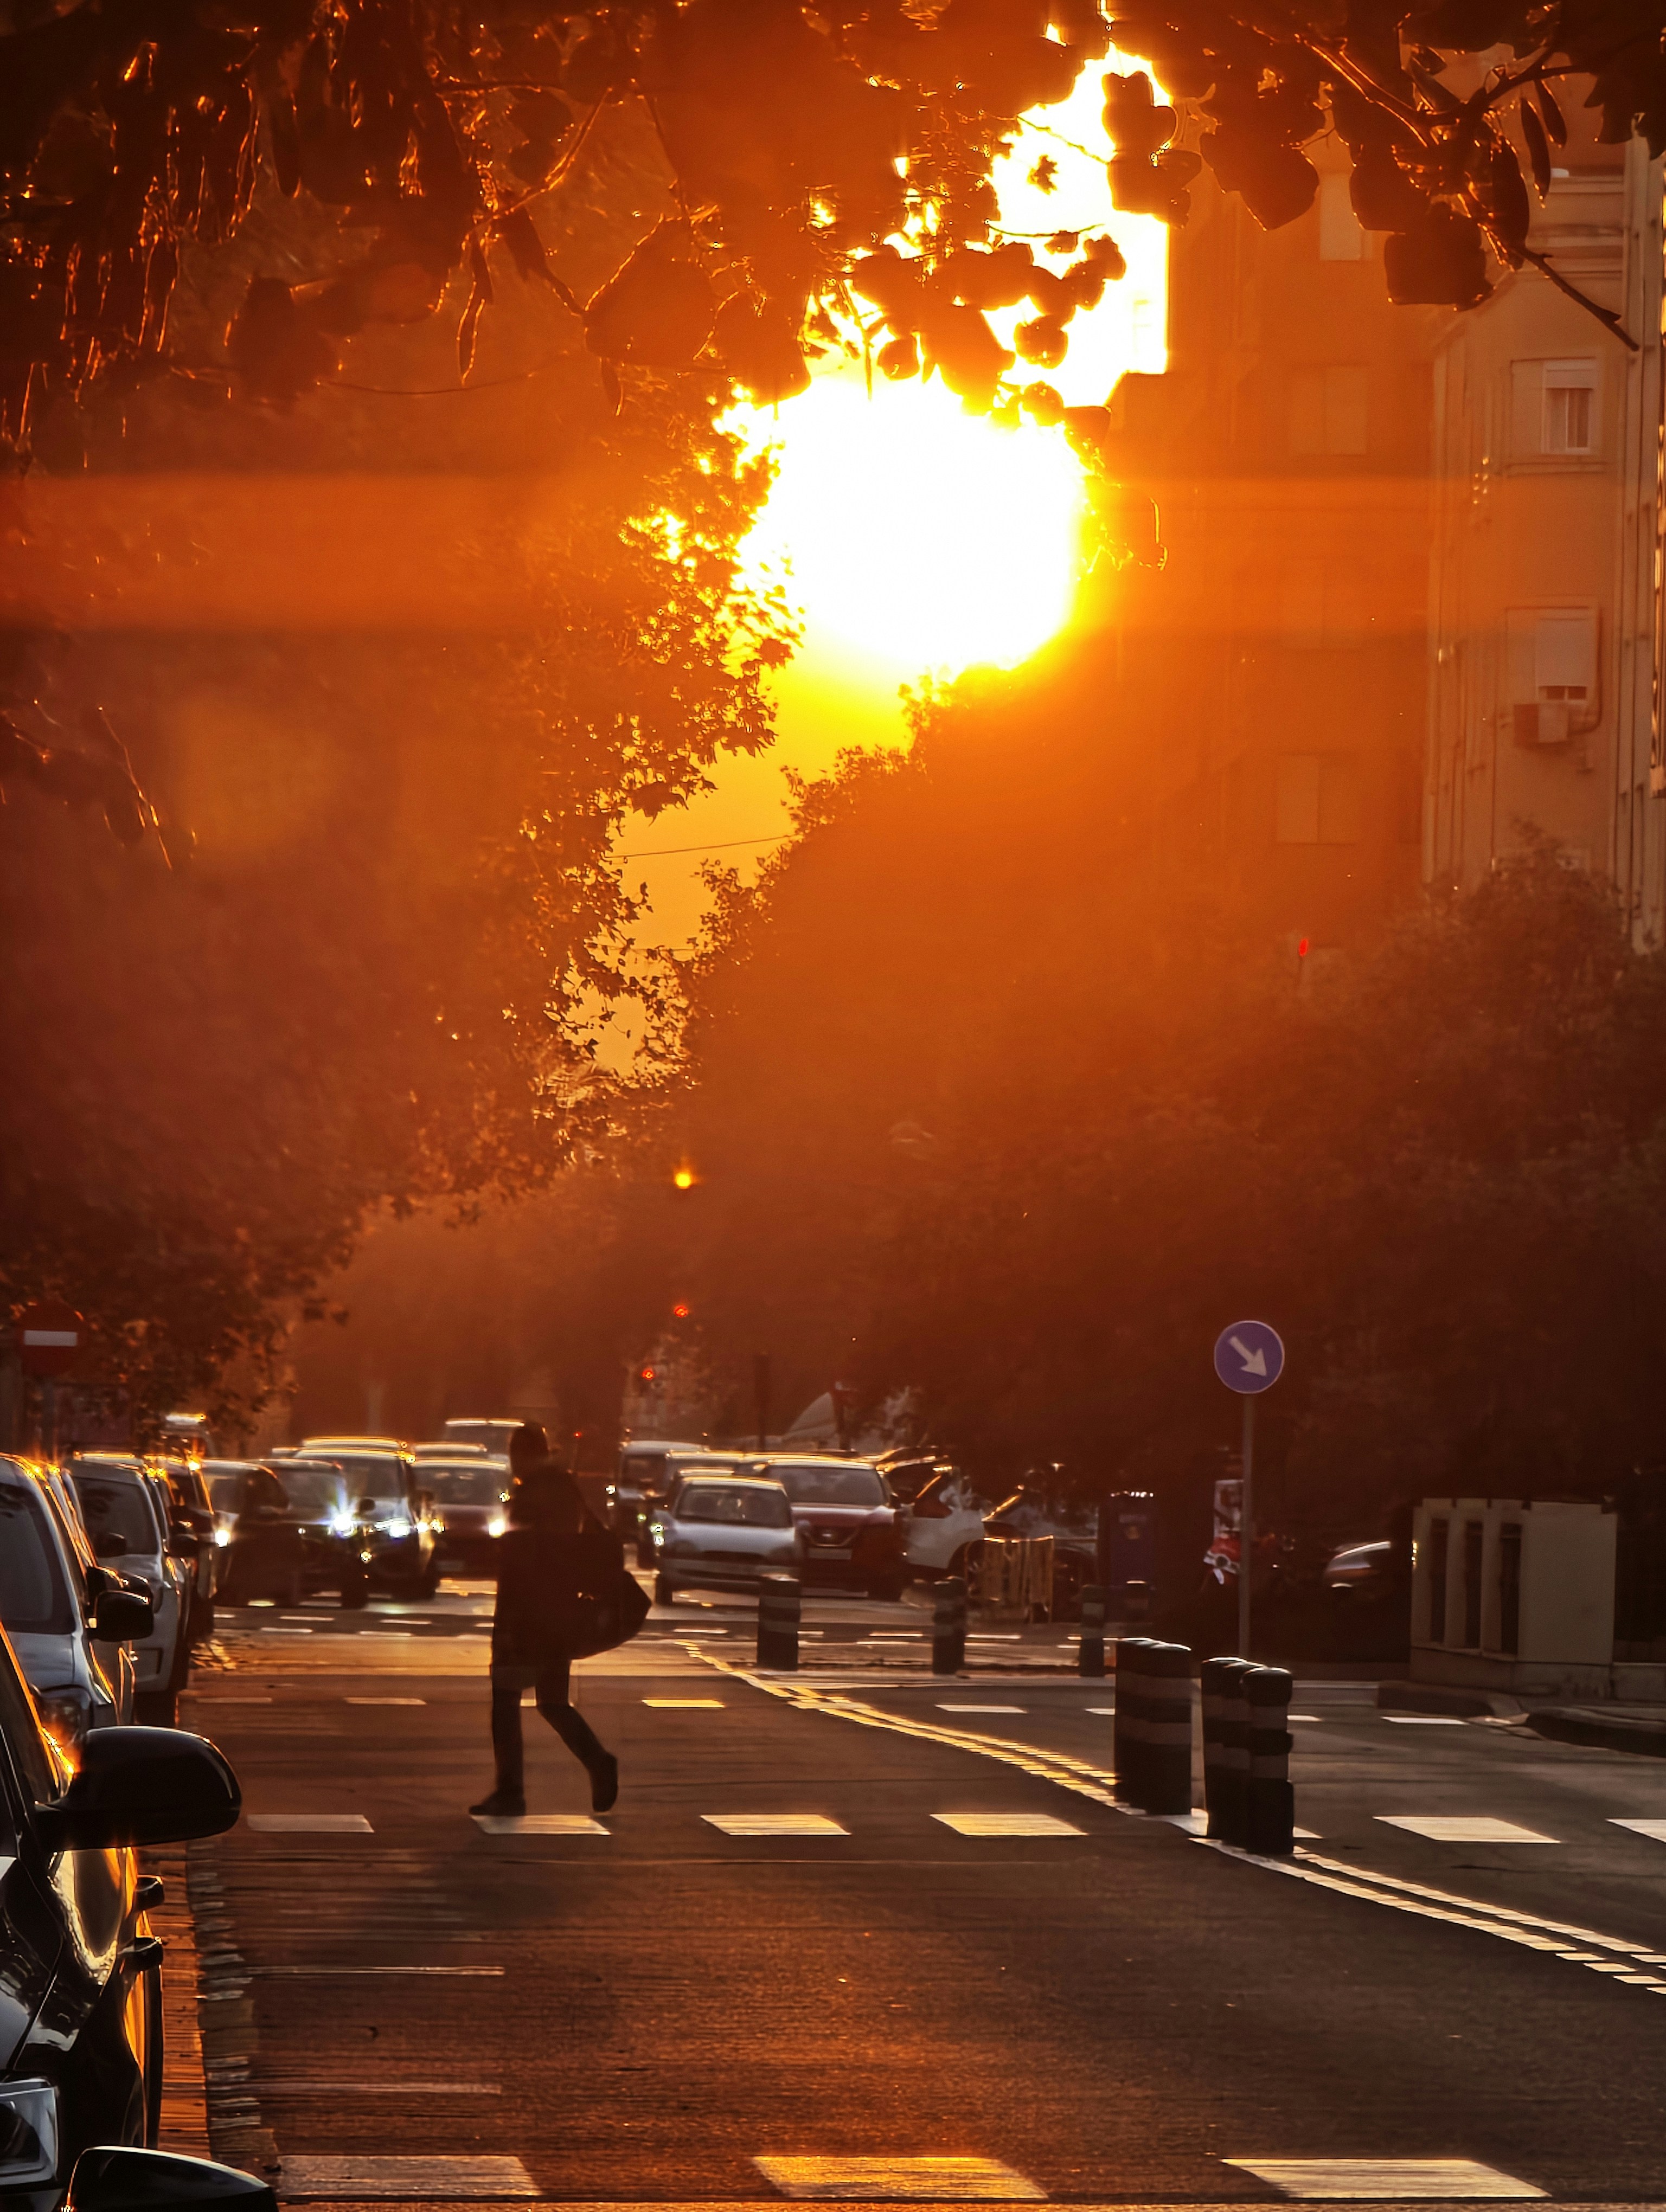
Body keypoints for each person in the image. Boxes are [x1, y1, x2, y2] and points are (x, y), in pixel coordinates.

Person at [470, 1424, 620, 1817]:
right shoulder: (567, 1492)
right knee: (552, 1701)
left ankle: (511, 1790)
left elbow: (520, 1559)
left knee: (505, 1701)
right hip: (560, 1613)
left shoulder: (531, 1496)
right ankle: (597, 1760)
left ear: (521, 1455)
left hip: (525, 1617)